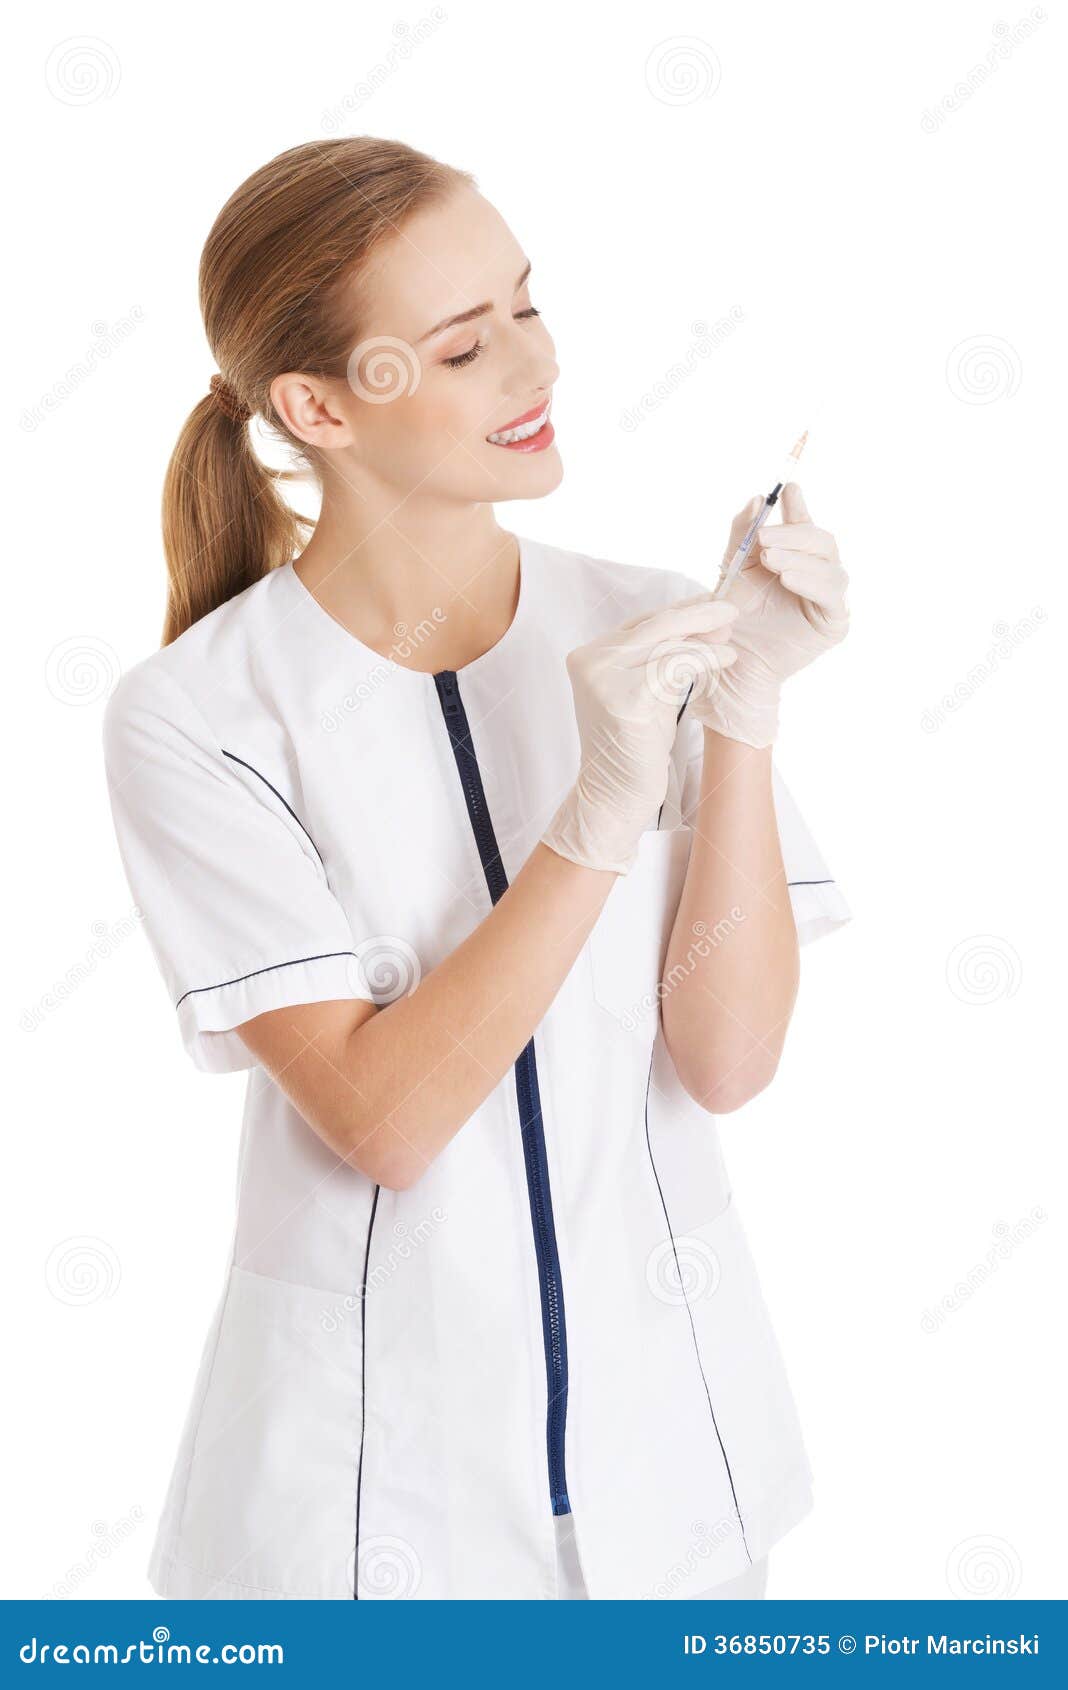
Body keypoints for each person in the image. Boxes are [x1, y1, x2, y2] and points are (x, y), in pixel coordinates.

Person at [102, 136, 851, 1602]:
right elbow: (384, 1115)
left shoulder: (652, 629)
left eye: (526, 303)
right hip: (368, 1512)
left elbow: (729, 1055)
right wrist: (597, 813)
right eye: (461, 345)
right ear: (318, 406)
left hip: (676, 1480)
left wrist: (747, 705)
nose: (535, 361)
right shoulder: (199, 715)